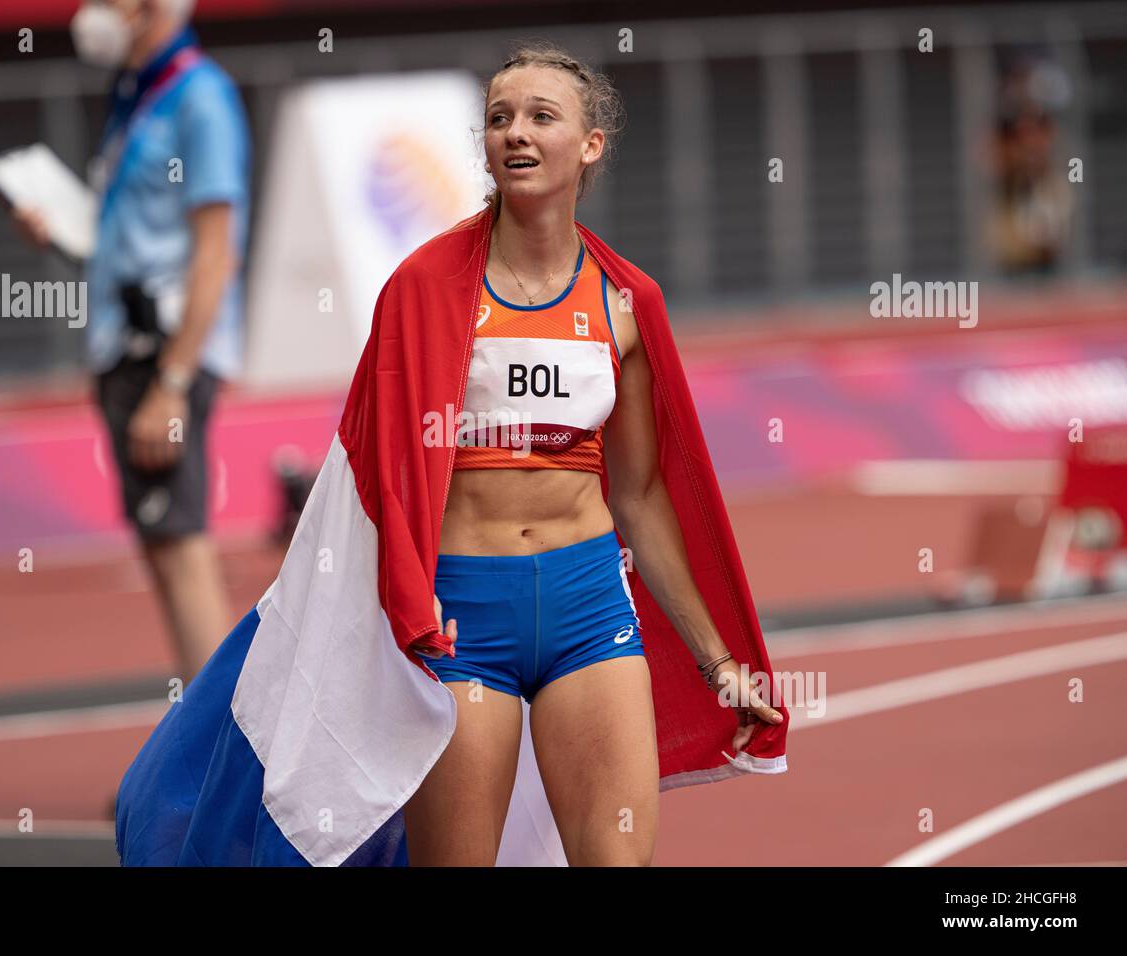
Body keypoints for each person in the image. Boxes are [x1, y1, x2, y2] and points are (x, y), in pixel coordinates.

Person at [114, 42, 787, 869]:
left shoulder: (624, 302)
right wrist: (404, 610)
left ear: (591, 144)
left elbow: (641, 498)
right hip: (464, 624)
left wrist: (720, 662)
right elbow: (381, 478)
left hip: (589, 614)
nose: (517, 134)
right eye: (499, 118)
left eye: (543, 117)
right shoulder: (426, 288)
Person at [15, 0, 249, 681]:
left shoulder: (200, 96)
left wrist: (173, 385)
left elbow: (215, 254)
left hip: (164, 357)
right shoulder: (139, 93)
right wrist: (59, 228)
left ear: (150, 8)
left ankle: (218, 762)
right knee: (164, 546)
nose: (92, 12)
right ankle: (202, 754)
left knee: (182, 550)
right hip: (127, 348)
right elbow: (130, 235)